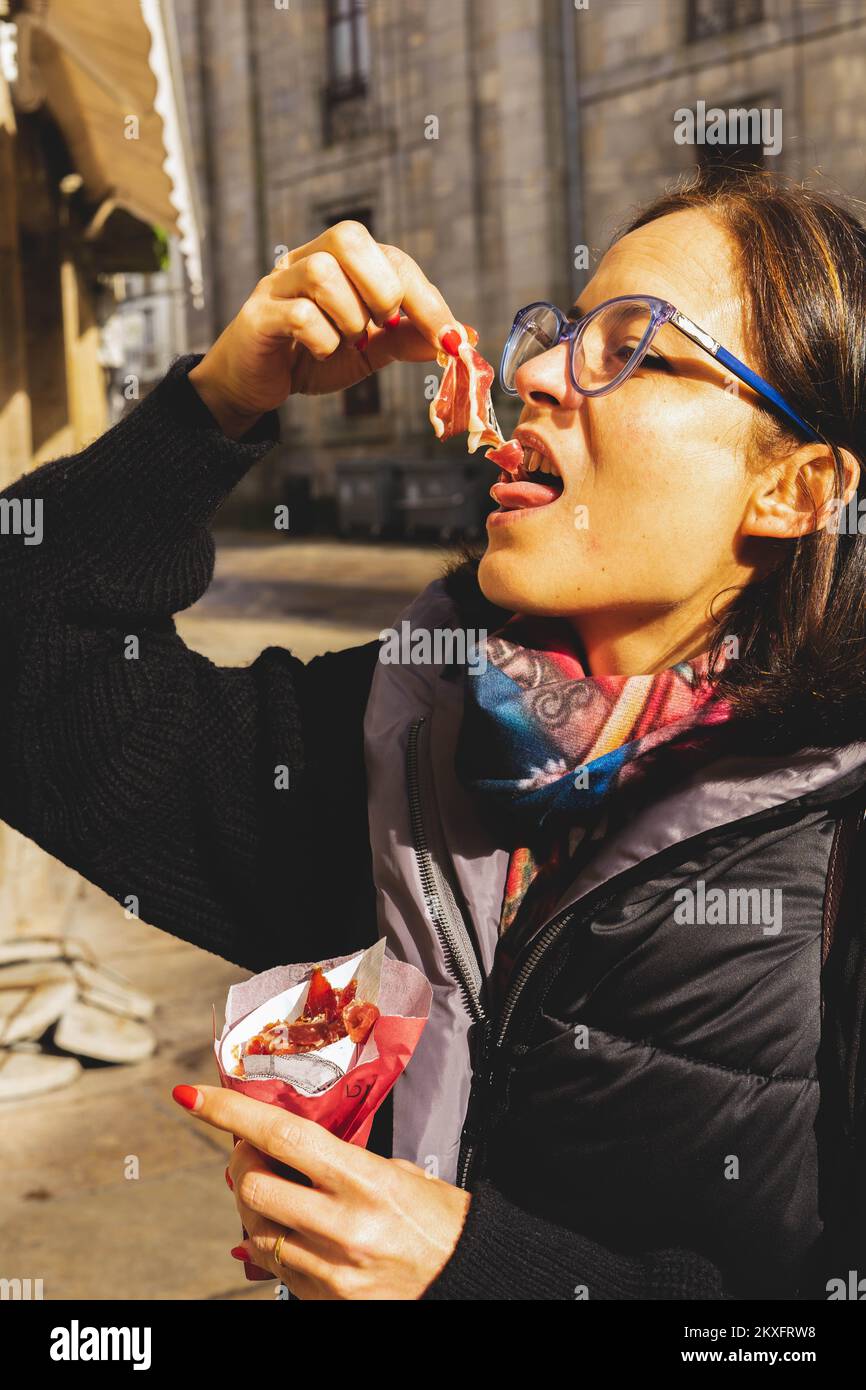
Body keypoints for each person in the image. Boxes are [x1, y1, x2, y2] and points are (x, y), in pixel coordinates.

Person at [2, 166, 865, 1300]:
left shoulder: (832, 838)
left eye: (629, 346)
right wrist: (214, 406)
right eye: (554, 334)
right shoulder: (412, 737)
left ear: (796, 488)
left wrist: (472, 1274)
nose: (537, 375)